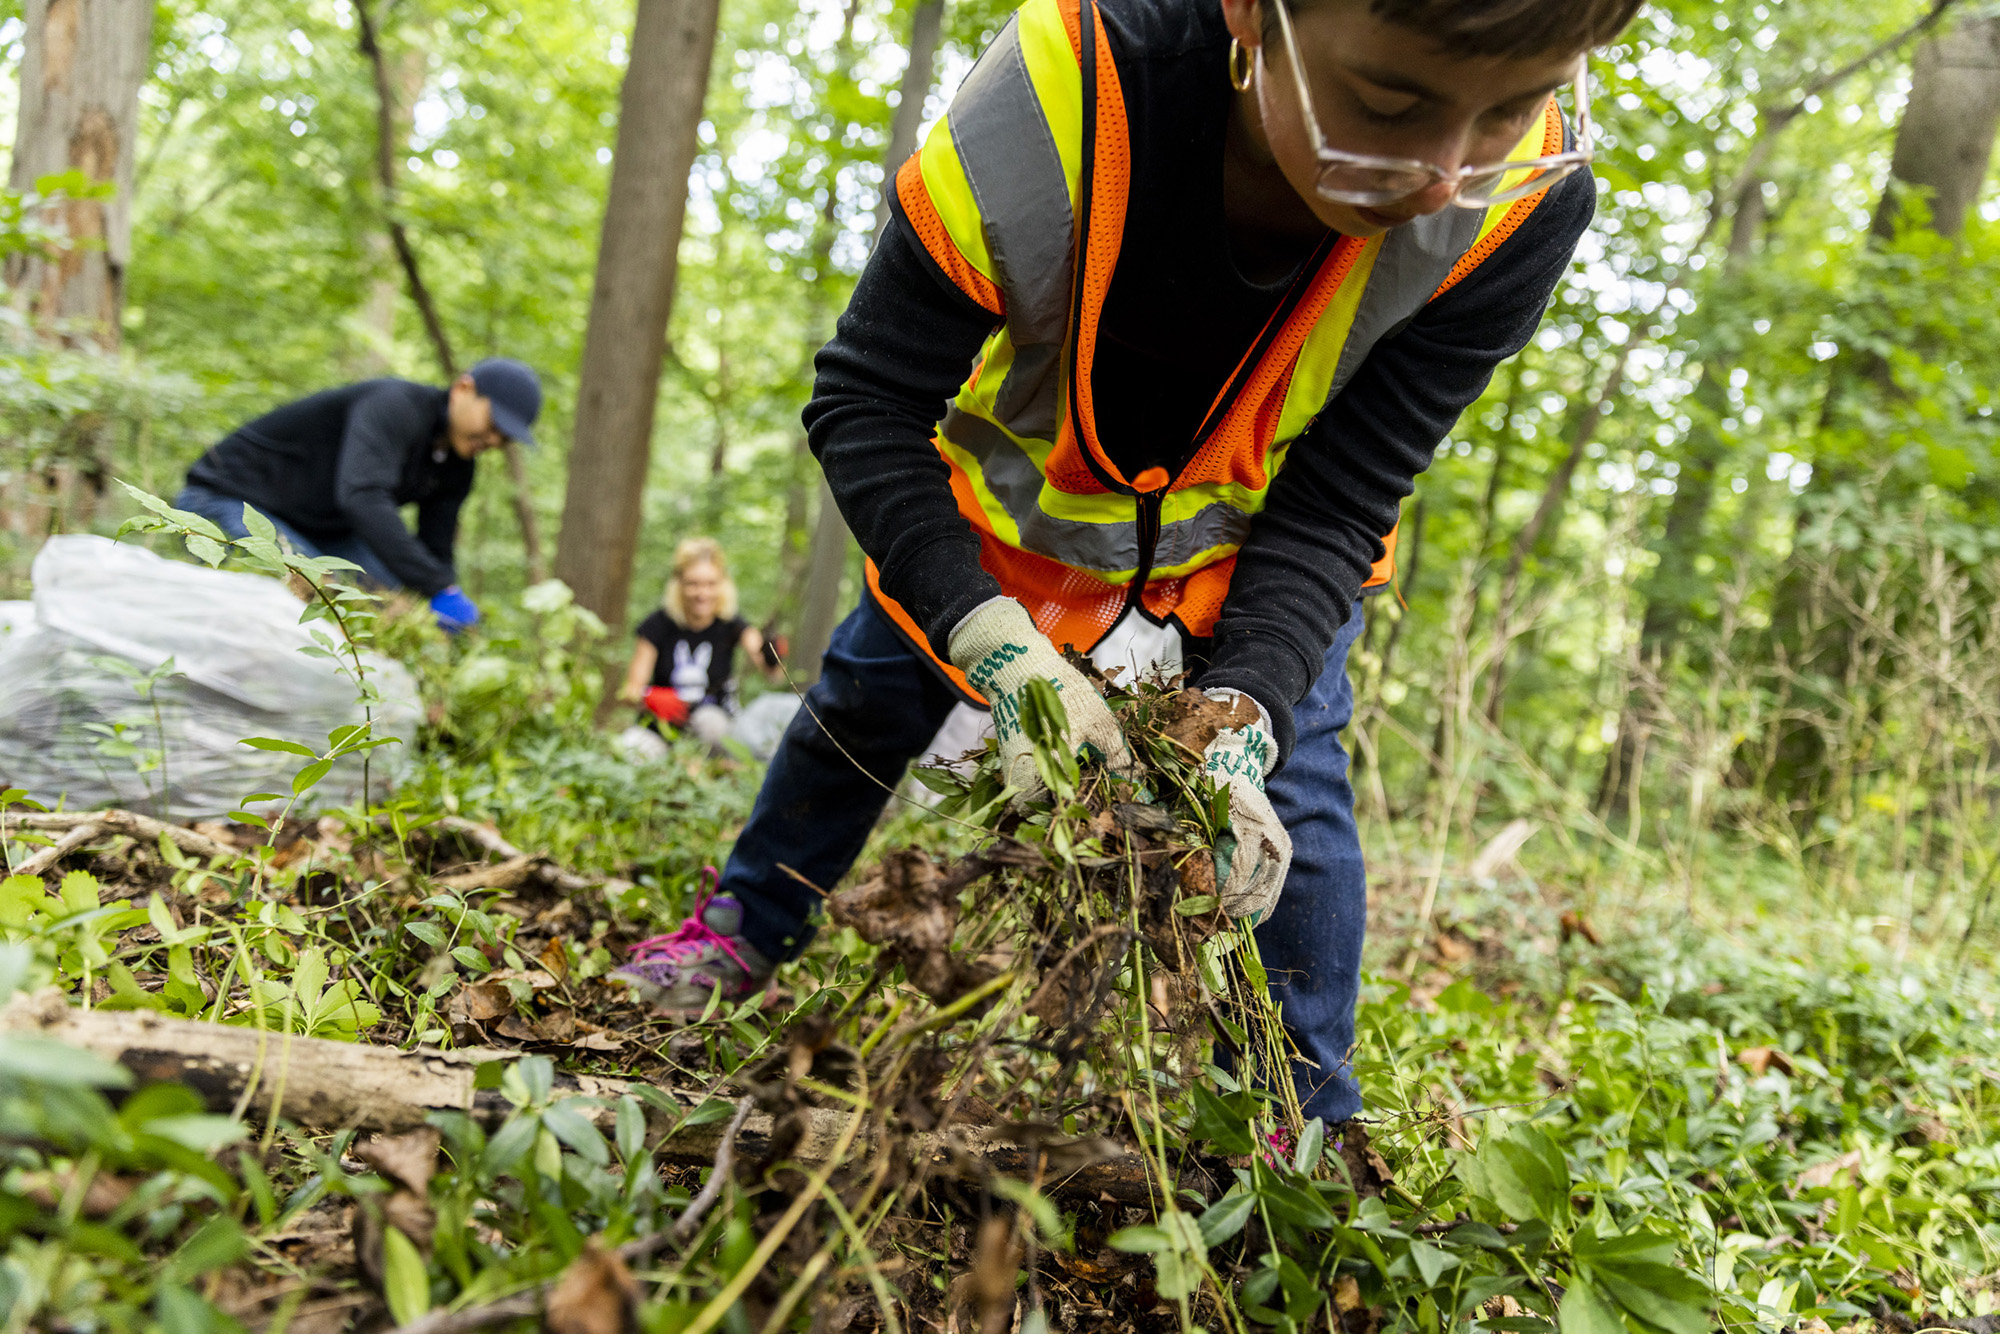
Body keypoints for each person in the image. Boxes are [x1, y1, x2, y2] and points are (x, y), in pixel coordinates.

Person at [614, 0, 1633, 1126]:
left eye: (1506, 110)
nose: (1441, 177)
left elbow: (1344, 495)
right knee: (864, 697)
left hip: (1257, 562)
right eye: (1387, 105)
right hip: (1004, 536)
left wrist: (1243, 706)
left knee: (1288, 793)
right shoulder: (1055, 96)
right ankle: (744, 925)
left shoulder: (1520, 205)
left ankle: (1298, 1121)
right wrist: (991, 641)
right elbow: (865, 398)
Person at [173, 358, 542, 634]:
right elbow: (363, 497)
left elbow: (435, 550)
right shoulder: (395, 405)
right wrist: (433, 585)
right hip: (226, 498)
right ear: (463, 389)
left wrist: (443, 593)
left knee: (400, 602)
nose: (493, 440)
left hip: (321, 528)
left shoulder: (458, 466)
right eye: (493, 424)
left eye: (504, 437)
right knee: (323, 592)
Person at [617, 538, 780, 749]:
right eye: (693, 584)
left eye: (711, 584)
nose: (702, 594)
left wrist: (772, 655)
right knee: (630, 746)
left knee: (712, 725)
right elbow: (630, 690)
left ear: (722, 585)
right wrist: (649, 697)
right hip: (661, 726)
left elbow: (772, 672)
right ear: (679, 585)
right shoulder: (657, 625)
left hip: (711, 725)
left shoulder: (732, 625)